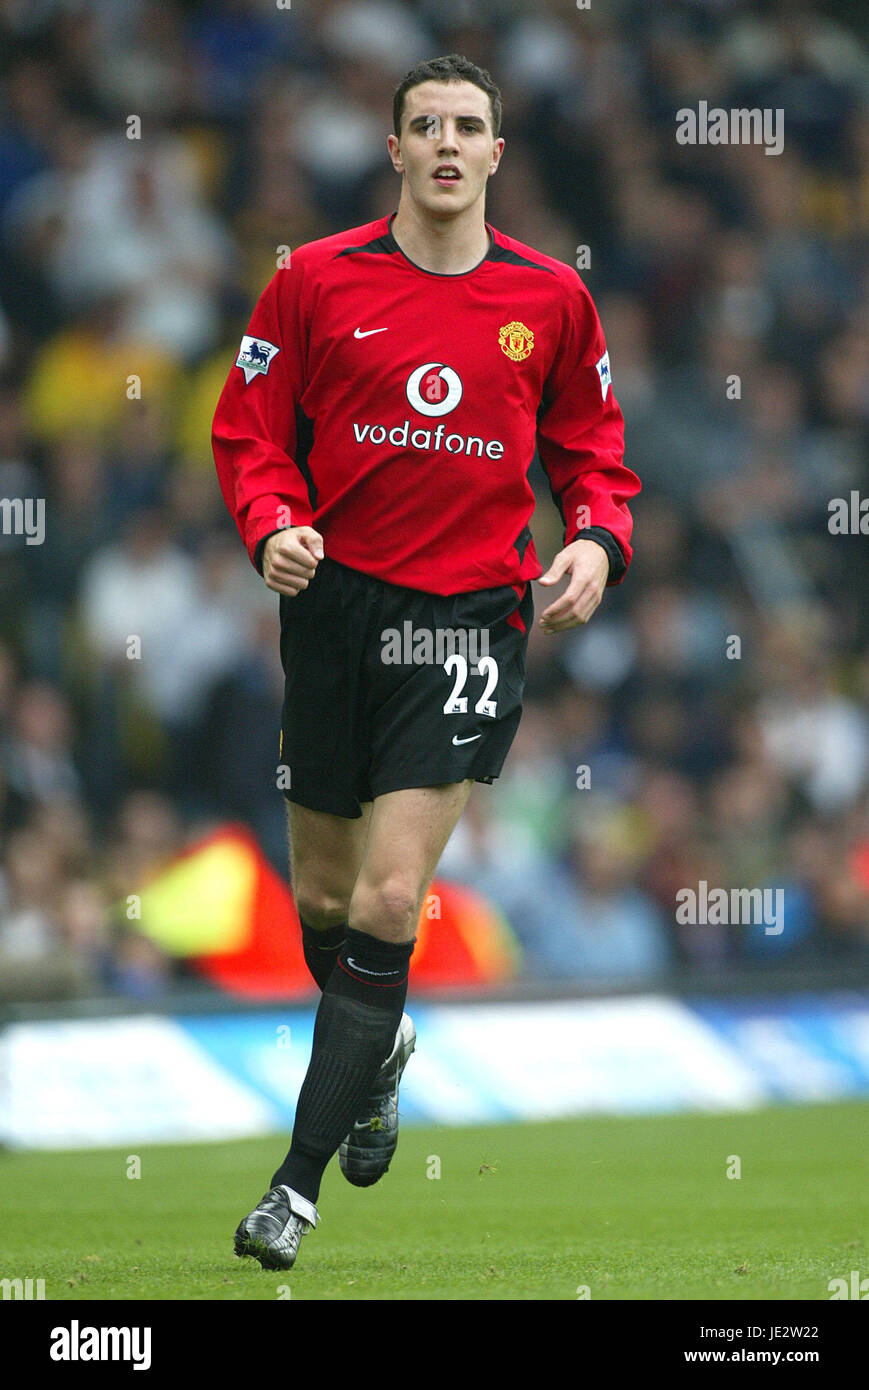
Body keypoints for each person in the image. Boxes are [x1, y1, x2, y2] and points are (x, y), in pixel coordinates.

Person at [212, 53, 640, 1270]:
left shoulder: (552, 299)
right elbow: (248, 430)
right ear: (392, 148)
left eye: (468, 127)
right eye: (424, 126)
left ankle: (291, 1189)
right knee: (327, 905)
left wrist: (598, 545)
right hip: (335, 612)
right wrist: (273, 522)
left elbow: (593, 452)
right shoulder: (313, 282)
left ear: (497, 155)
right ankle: (379, 1048)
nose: (446, 145)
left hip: (465, 621)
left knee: (392, 900)